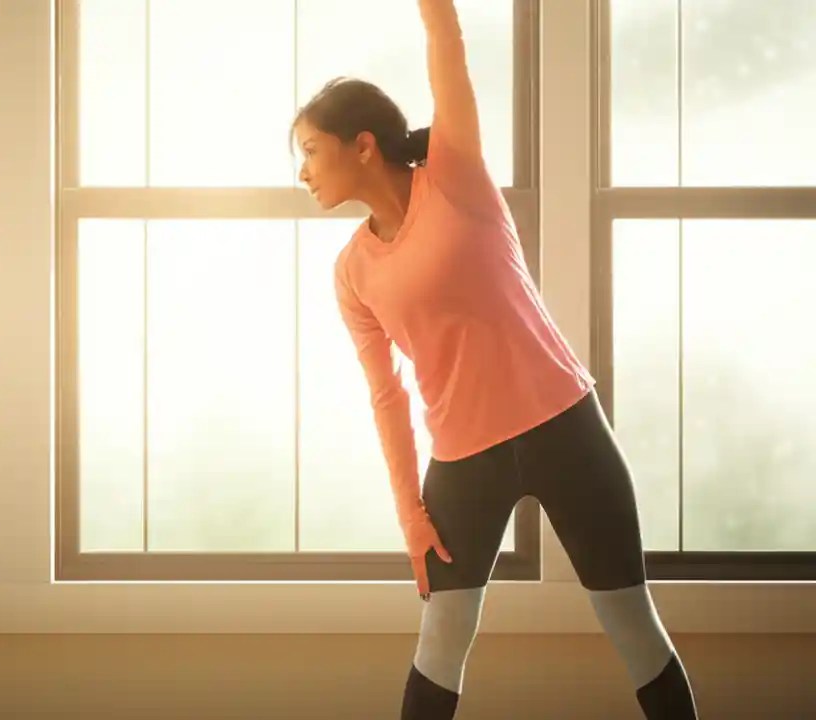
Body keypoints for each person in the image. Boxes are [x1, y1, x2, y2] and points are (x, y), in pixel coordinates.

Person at [290, 2, 699, 718]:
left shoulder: (454, 170)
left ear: (361, 145)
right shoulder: (351, 272)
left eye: (310, 150)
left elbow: (445, 40)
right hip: (463, 462)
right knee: (441, 641)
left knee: (634, 629)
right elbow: (385, 397)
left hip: (565, 428)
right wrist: (410, 513)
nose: (302, 172)